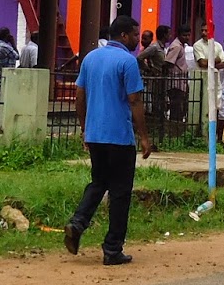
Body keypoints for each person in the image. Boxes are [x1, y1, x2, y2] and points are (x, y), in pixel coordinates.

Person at [65, 15, 152, 266]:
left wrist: (84, 128)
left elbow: (80, 96)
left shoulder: (90, 58)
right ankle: (112, 249)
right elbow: (134, 100)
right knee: (120, 192)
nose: (138, 40)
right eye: (136, 35)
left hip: (95, 134)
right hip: (120, 136)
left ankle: (78, 222)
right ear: (124, 35)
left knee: (98, 181)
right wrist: (144, 137)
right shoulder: (128, 61)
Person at [157, 25, 189, 125]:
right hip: (175, 81)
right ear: (179, 35)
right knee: (176, 107)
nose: (187, 37)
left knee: (180, 106)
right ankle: (174, 129)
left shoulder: (181, 46)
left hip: (180, 80)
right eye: (184, 35)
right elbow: (168, 62)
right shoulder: (176, 46)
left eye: (188, 35)